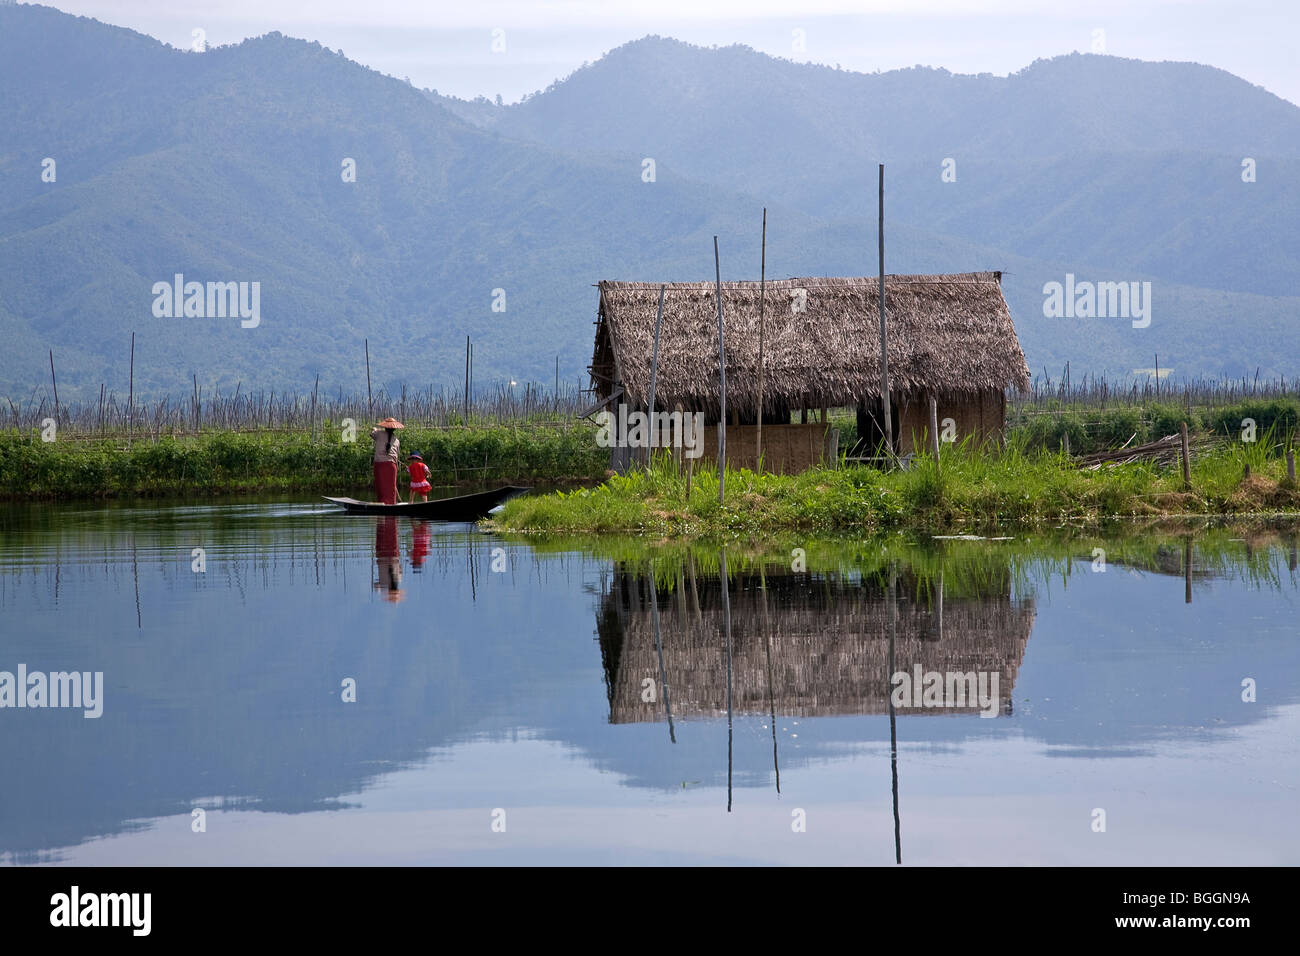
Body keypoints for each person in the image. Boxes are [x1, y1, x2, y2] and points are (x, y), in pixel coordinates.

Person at [369, 417, 403, 504]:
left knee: (381, 486)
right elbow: (396, 454)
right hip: (392, 465)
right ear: (394, 429)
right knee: (390, 488)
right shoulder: (397, 440)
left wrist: (374, 429)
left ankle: (383, 503)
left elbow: (372, 434)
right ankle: (391, 503)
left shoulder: (379, 434)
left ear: (385, 427)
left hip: (380, 464)